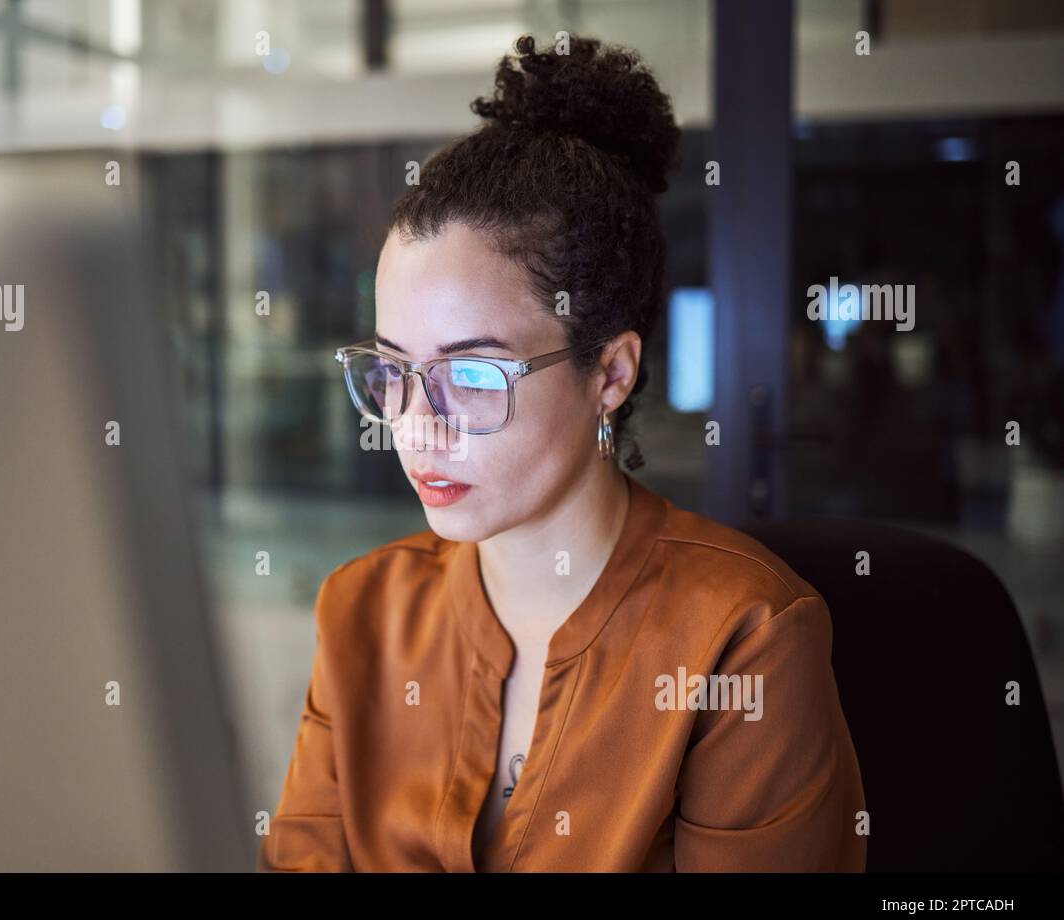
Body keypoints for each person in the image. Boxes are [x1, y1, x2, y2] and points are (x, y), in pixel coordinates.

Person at [259, 33, 866, 872]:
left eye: (471, 374)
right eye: (395, 370)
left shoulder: (743, 636)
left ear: (610, 371)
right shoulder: (361, 611)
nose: (416, 424)